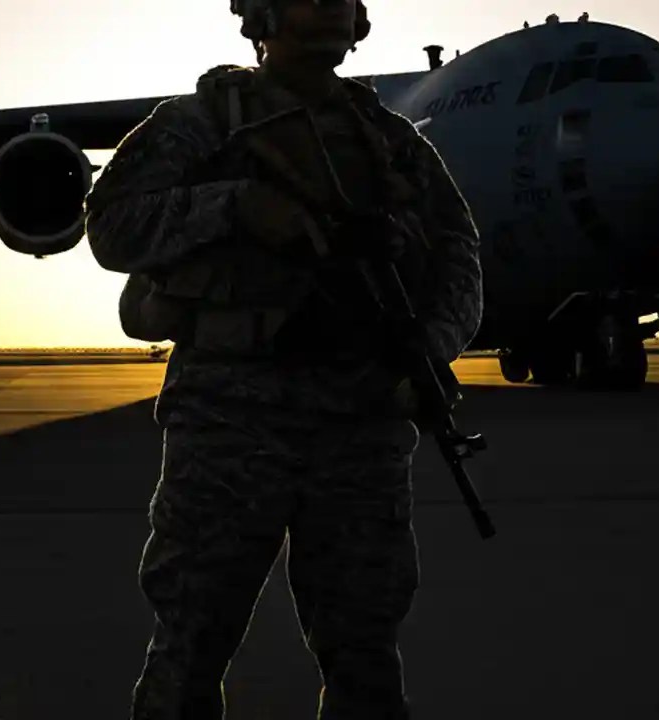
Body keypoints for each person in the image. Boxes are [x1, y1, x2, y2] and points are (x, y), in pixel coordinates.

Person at [83, 1, 482, 717]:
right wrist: (235, 207)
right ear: (261, 12)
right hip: (231, 423)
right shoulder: (198, 127)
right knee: (191, 644)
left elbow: (459, 254)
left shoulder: (391, 144)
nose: (328, 5)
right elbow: (112, 227)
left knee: (365, 653)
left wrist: (431, 345)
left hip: (360, 427)